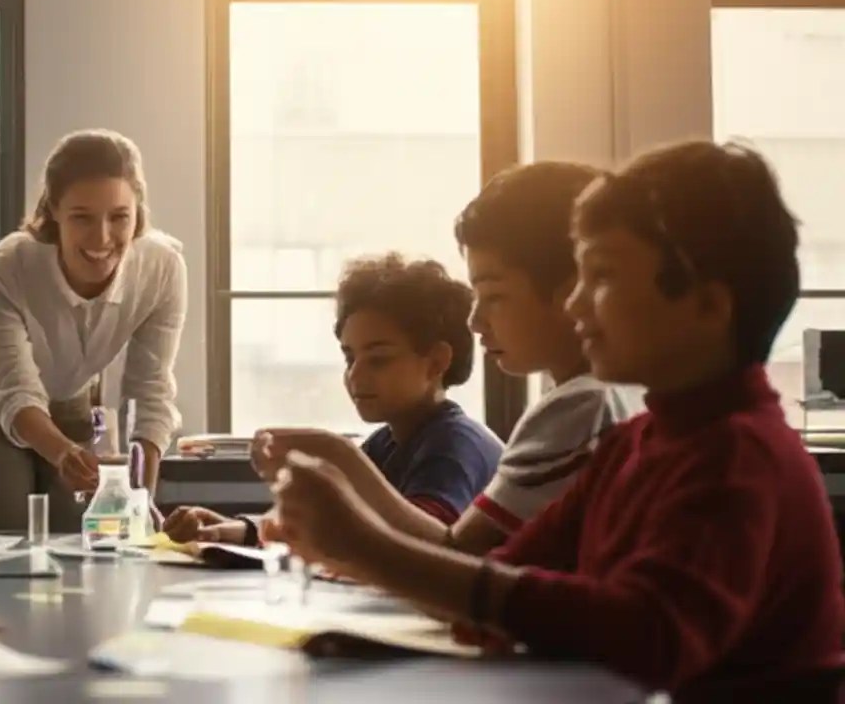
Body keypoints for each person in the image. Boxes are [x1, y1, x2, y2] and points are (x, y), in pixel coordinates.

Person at [269, 141, 844, 699]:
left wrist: (365, 546)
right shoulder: (635, 444)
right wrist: (354, 546)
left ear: (708, 306)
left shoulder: (738, 454)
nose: (575, 304)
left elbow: (648, 634)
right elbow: (493, 579)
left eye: (603, 278)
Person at [240, 162, 642, 555]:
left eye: (494, 295)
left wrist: (339, 457)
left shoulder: (581, 407)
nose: (475, 319)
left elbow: (456, 556)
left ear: (567, 291)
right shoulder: (613, 399)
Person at [0, 129, 188, 532]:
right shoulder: (2, 270)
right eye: (82, 218)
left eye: (119, 217)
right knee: (17, 549)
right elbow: (16, 392)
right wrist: (63, 454)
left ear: (137, 209)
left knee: (81, 545)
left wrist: (142, 497)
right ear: (54, 209)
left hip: (71, 406)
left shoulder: (162, 268)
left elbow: (152, 390)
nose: (103, 238)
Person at [166, 254, 502, 545]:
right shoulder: (386, 443)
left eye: (379, 359)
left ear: (436, 362)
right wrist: (232, 530)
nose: (355, 375)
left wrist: (340, 455)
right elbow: (322, 526)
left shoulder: (455, 447)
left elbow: (430, 543)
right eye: (348, 358)